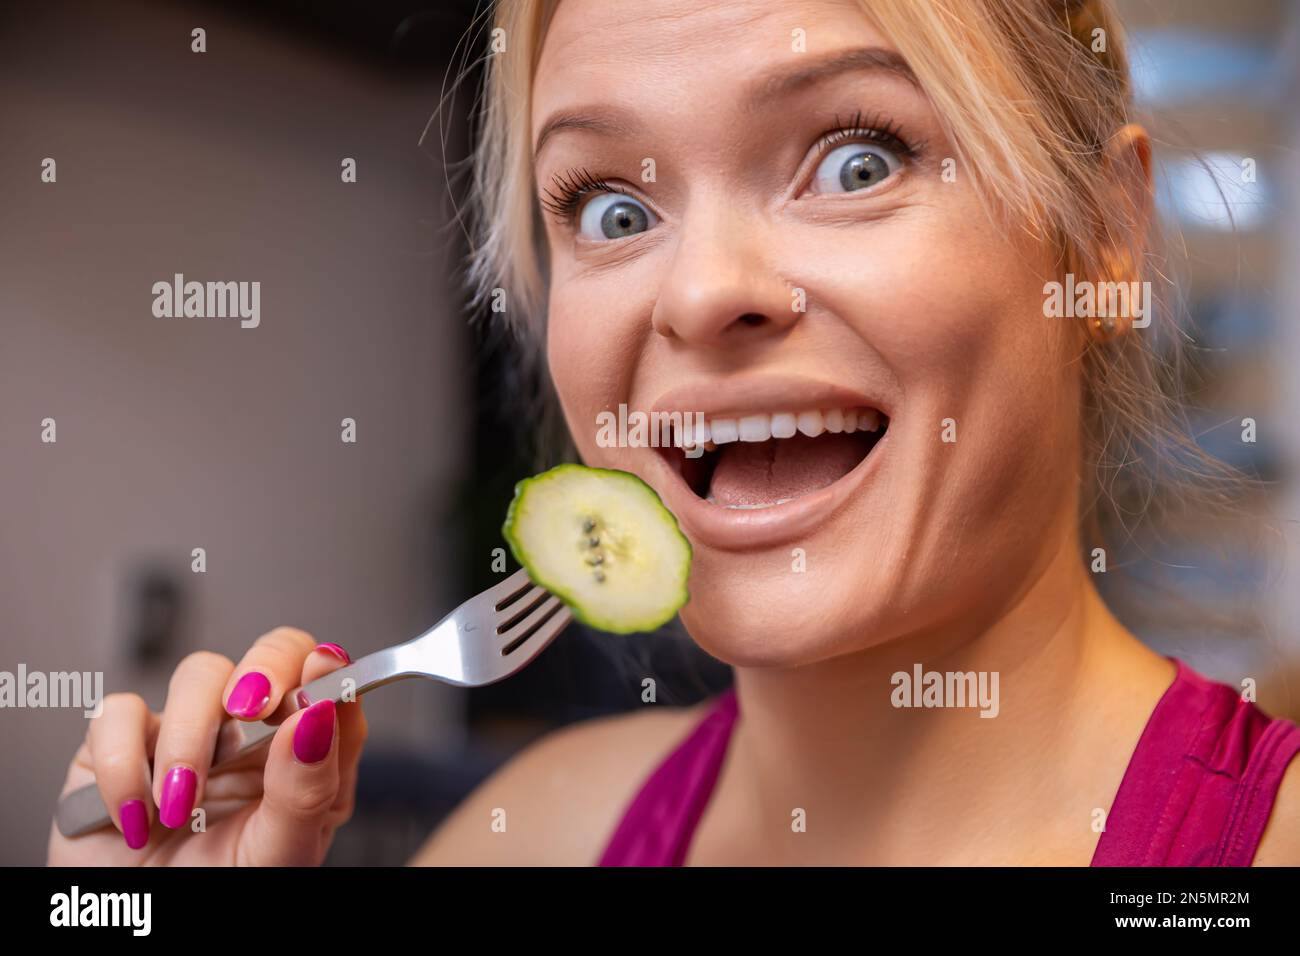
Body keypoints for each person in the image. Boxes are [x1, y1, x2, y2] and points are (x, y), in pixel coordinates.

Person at [50, 0, 1300, 867]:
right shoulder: (531, 832)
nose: (700, 293)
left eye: (857, 159)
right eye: (609, 204)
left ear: (1104, 234)